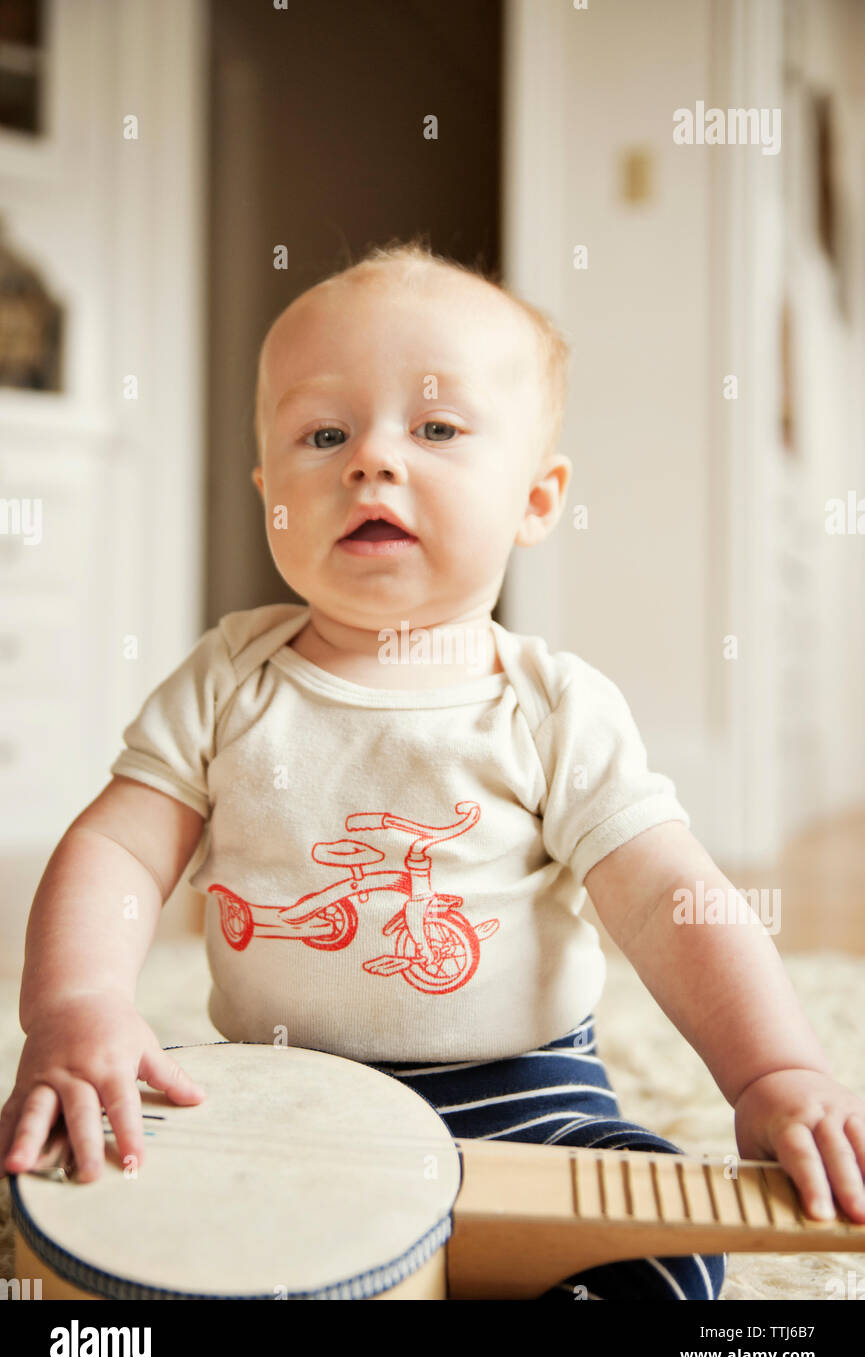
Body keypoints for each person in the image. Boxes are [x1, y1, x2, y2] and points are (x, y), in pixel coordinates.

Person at [3, 238, 864, 1301]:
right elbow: (118, 851)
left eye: (438, 429)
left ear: (537, 500)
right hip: (284, 1096)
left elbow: (668, 899)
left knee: (659, 1234)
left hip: (527, 1095)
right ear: (270, 488)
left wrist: (774, 1070)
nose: (371, 460)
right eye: (324, 434)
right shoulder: (226, 681)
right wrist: (78, 1003)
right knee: (126, 1208)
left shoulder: (551, 706)